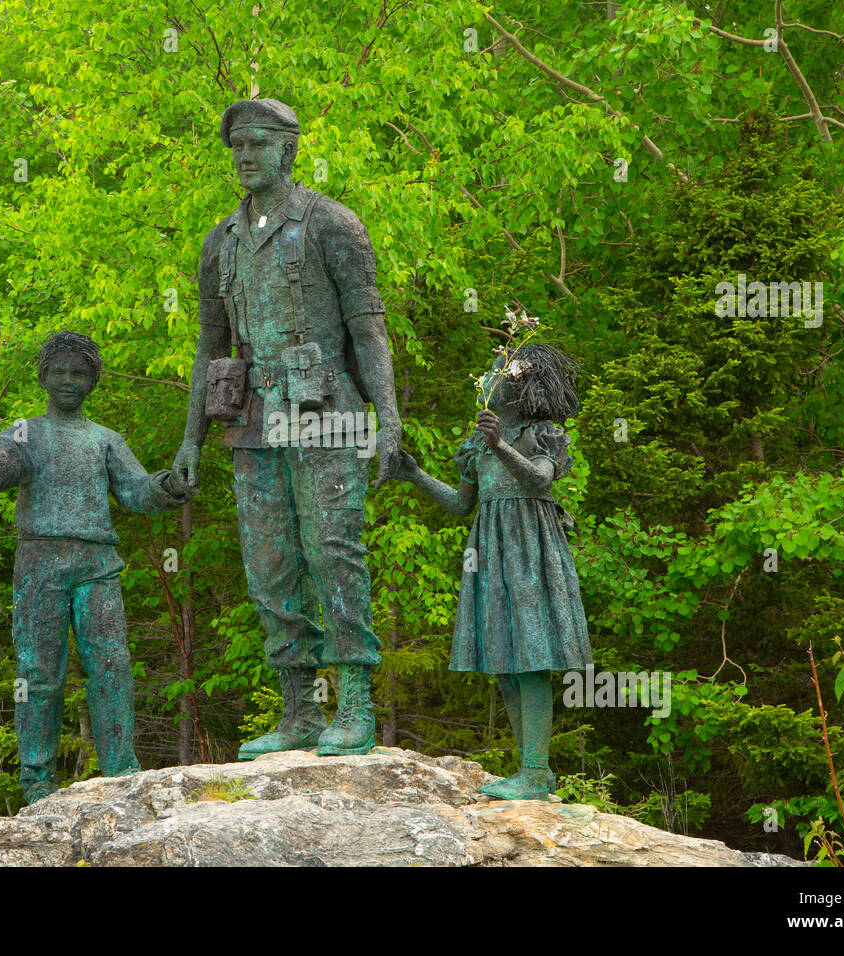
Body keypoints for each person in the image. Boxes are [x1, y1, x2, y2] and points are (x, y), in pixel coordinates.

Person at [171, 99, 402, 759]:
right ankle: (300, 709)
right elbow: (209, 347)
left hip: (326, 412)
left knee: (334, 554)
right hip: (252, 422)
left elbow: (369, 329)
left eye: (257, 143)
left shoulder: (333, 224)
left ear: (288, 149)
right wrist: (190, 440)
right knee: (269, 566)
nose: (245, 155)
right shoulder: (221, 242)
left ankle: (354, 702)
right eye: (236, 146)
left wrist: (388, 421)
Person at [0, 331, 189, 804]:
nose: (68, 381)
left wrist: (171, 485)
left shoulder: (105, 440)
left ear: (93, 380)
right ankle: (37, 783)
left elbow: (137, 491)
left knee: (111, 664)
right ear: (43, 377)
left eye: (78, 373)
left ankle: (120, 772)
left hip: (97, 564)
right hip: (39, 564)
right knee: (38, 673)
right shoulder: (25, 432)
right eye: (59, 372)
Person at [395, 343, 592, 799]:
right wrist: (416, 475)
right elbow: (461, 504)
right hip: (489, 549)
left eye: (497, 374)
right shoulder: (475, 447)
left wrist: (500, 445)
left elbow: (540, 479)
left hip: (530, 546)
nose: (487, 381)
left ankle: (536, 770)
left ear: (519, 387)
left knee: (532, 658)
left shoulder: (541, 434)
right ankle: (533, 774)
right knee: (504, 661)